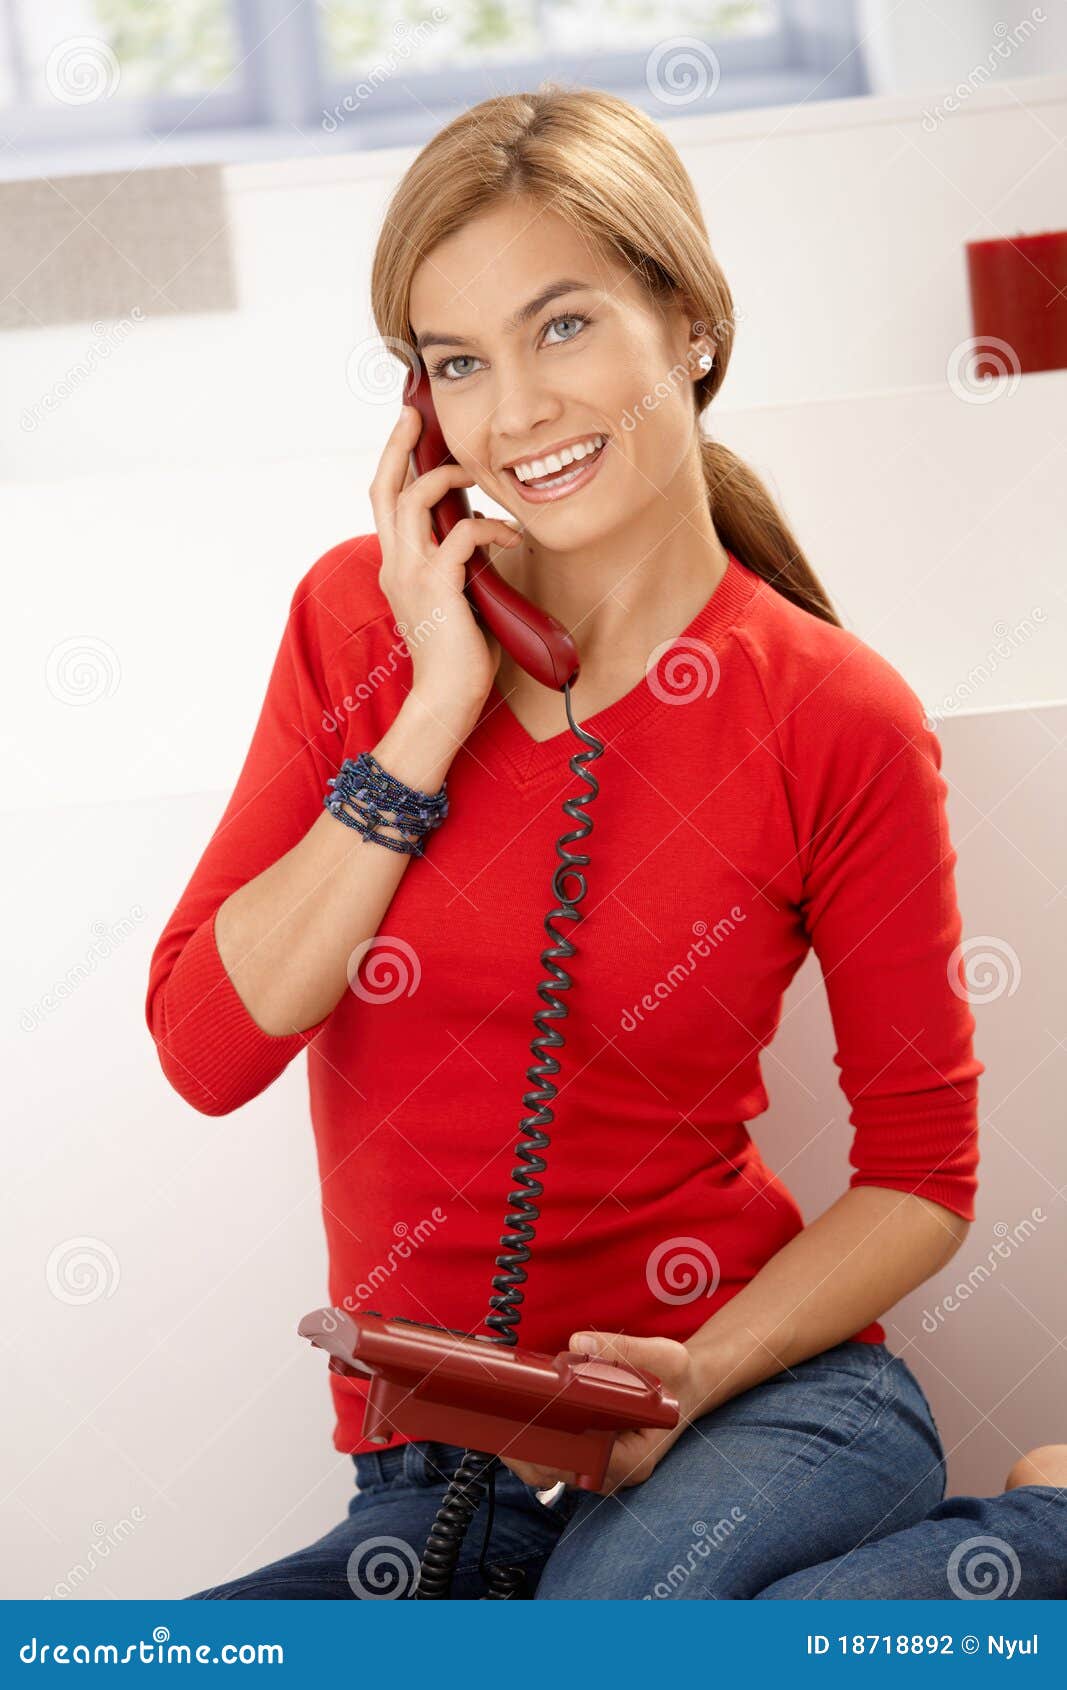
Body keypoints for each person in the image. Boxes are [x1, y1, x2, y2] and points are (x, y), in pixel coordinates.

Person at [145, 86, 1065, 1600]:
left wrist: (695, 1375)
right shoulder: (359, 627)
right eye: (459, 361)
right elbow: (205, 1047)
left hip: (757, 1410)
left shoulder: (833, 712)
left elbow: (923, 1172)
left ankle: (1046, 1527)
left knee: (605, 1641)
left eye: (562, 326)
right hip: (439, 1474)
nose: (513, 413)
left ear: (689, 322)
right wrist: (430, 718)